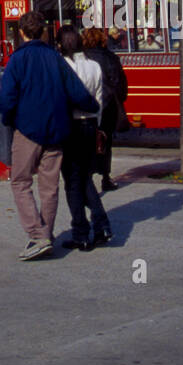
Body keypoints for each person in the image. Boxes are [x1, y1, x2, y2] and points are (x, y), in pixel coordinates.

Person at [0, 9, 97, 261]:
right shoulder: (56, 59)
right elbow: (77, 91)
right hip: (57, 129)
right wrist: (93, 107)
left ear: (20, 32)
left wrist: (9, 119)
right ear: (43, 31)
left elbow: (7, 97)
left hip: (28, 129)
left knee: (20, 181)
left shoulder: (17, 60)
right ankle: (47, 234)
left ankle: (37, 234)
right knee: (49, 186)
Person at [57, 28, 112, 250]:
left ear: (61, 45)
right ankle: (101, 226)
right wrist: (96, 124)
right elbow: (99, 99)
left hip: (71, 124)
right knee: (84, 177)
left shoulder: (64, 66)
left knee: (72, 181)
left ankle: (82, 231)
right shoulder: (94, 66)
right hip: (90, 124)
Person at [81, 26, 129, 190]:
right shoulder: (111, 57)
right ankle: (105, 177)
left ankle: (87, 176)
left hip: (86, 104)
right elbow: (120, 82)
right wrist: (119, 99)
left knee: (87, 141)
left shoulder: (82, 58)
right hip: (107, 104)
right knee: (106, 141)